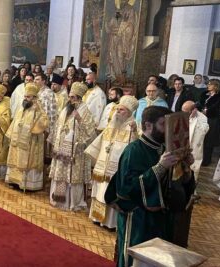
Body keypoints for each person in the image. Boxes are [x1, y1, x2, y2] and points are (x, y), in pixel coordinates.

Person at [105, 106, 196, 267]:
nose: (167, 131)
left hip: (161, 218)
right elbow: (126, 189)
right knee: (135, 260)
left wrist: (186, 169)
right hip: (138, 217)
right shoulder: (134, 150)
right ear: (148, 125)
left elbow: (175, 185)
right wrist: (159, 168)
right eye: (163, 125)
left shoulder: (164, 149)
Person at [84, 95, 138, 229]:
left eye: (122, 110)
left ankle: (111, 223)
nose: (118, 112)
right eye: (117, 109)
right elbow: (100, 142)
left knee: (111, 192)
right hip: (103, 166)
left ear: (130, 113)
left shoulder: (134, 127)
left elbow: (137, 146)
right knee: (100, 191)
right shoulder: (111, 124)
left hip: (116, 171)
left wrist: (136, 131)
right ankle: (97, 217)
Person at [48, 82, 97, 211]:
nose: (70, 99)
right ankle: (59, 199)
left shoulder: (85, 111)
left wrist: (79, 119)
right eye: (70, 97)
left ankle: (73, 202)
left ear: (80, 98)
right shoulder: (66, 109)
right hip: (61, 148)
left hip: (76, 151)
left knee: (71, 176)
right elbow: (58, 126)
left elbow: (91, 133)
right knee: (61, 175)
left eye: (73, 97)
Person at [4, 82, 48, 190]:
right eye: (25, 96)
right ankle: (14, 181)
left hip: (30, 141)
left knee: (27, 161)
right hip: (17, 139)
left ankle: (26, 184)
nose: (25, 98)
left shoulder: (39, 108)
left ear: (34, 97)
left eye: (28, 96)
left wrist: (36, 121)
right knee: (15, 159)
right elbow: (16, 121)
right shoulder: (23, 106)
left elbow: (44, 122)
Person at [197, 79, 220, 166]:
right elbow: (199, 104)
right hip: (201, 118)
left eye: (210, 84)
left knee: (209, 140)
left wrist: (208, 112)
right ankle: (199, 158)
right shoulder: (205, 94)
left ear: (216, 86)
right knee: (201, 138)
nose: (208, 85)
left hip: (212, 120)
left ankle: (206, 161)